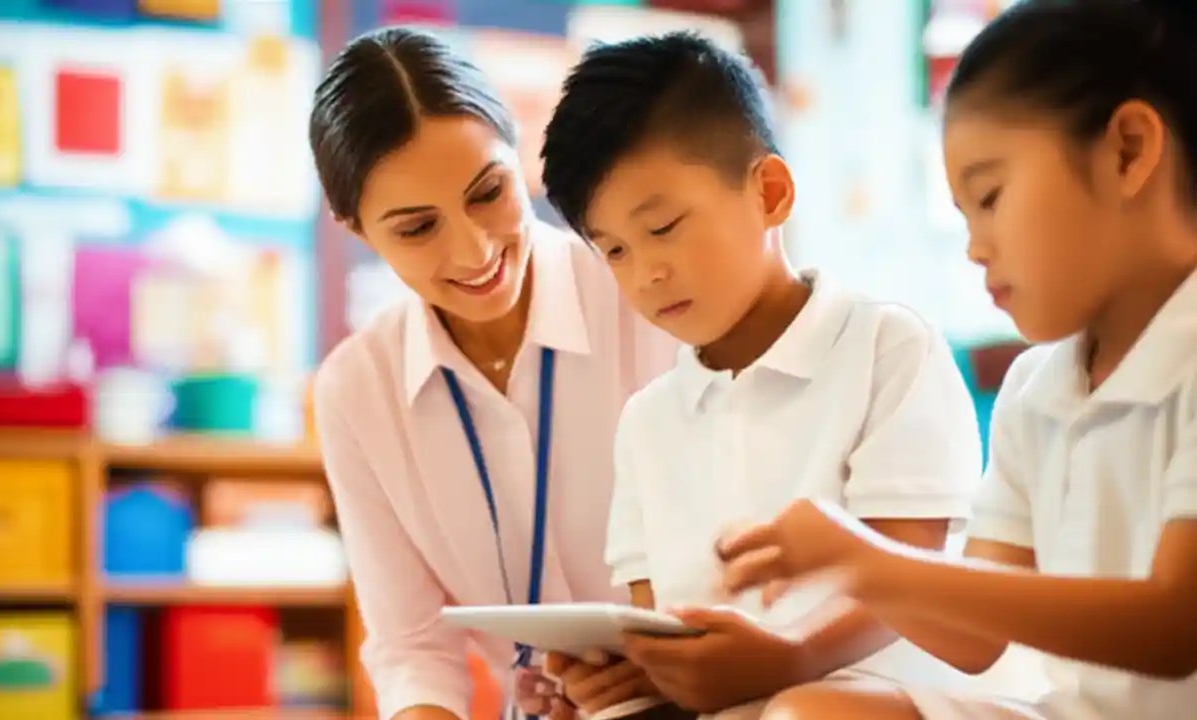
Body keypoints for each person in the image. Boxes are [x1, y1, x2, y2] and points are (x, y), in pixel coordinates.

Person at [717, 1, 1197, 718]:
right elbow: (972, 641)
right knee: (810, 714)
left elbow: (1173, 625)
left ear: (1127, 149)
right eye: (963, 215)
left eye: (991, 197)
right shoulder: (1040, 387)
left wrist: (869, 561)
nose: (975, 246)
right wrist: (842, 567)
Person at [536, 31, 983, 720]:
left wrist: (785, 659)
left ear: (769, 192)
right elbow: (659, 626)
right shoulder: (648, 421)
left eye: (664, 227)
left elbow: (905, 582)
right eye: (615, 251)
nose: (646, 273)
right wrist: (626, 679)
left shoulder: (887, 350)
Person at [308, 27, 676, 720]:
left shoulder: (646, 296)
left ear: (519, 152)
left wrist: (666, 667)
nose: (474, 249)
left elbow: (745, 541)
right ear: (355, 228)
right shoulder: (358, 390)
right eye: (417, 228)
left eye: (488, 192)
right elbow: (411, 647)